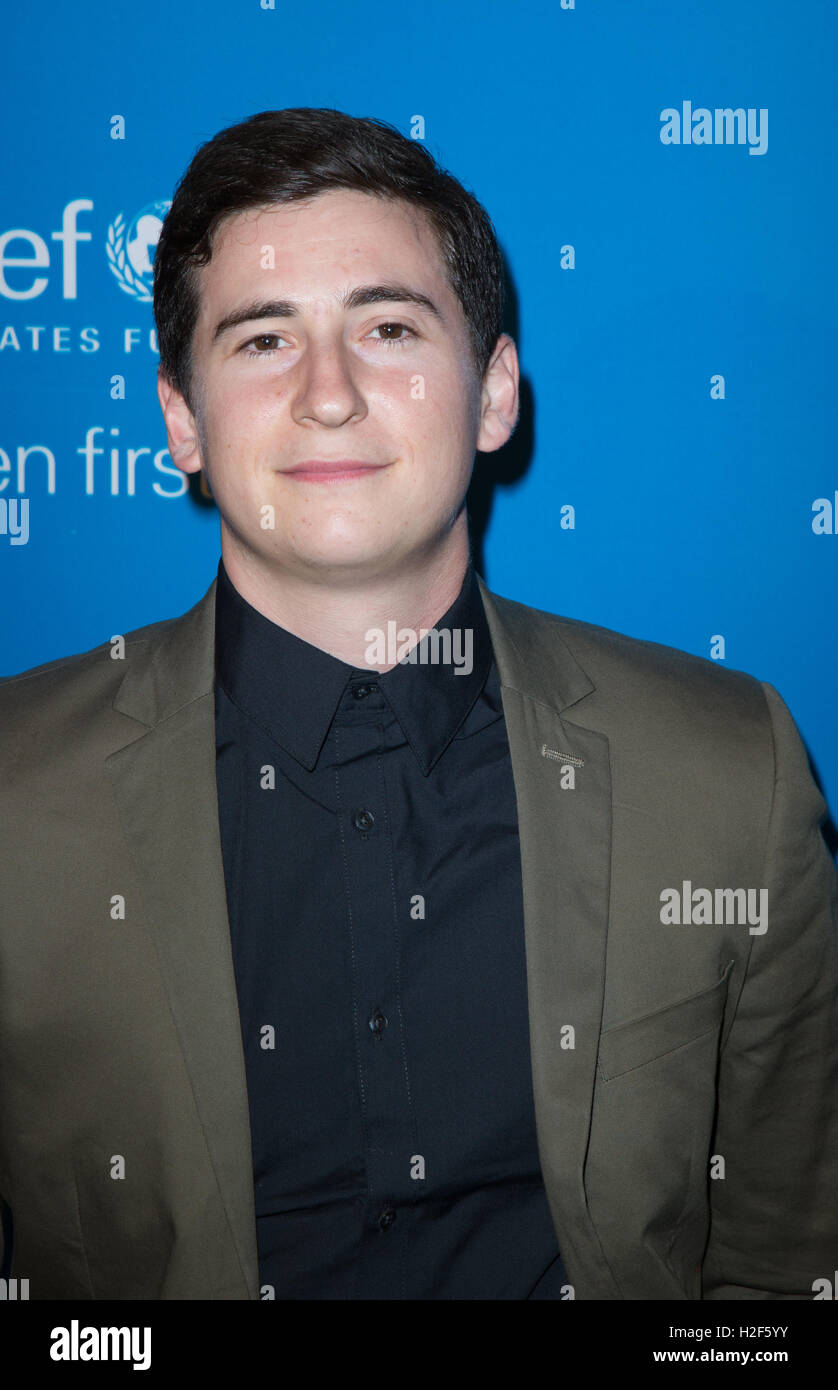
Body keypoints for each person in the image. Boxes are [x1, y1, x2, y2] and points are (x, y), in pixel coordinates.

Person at [1, 107, 836, 1301]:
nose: (328, 394)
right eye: (260, 341)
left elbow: (786, 1271)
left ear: (494, 394)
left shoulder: (724, 770)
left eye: (387, 327)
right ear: (181, 421)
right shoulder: (13, 797)